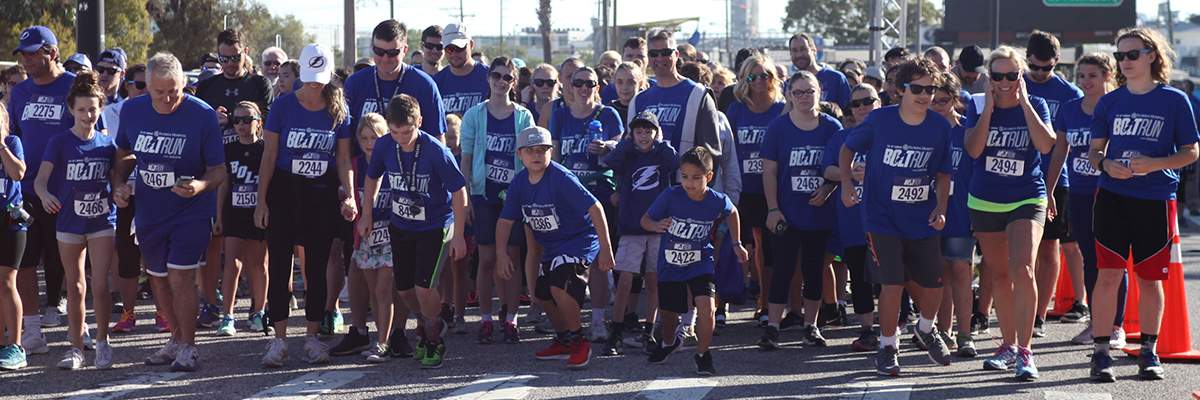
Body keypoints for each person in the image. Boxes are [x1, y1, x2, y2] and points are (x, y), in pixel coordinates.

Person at [1087, 28, 1199, 382]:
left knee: (1150, 280)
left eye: (1132, 54)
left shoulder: (1174, 100)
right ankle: (1101, 352)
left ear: (1151, 55)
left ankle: (1149, 350)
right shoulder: (1110, 101)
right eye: (1120, 56)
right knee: (1108, 276)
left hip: (1155, 199)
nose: (1125, 62)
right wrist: (1106, 164)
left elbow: (1191, 151)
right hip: (1112, 197)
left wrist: (1155, 163)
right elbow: (1093, 152)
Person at [112, 52, 226, 371]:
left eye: (173, 90)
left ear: (184, 84)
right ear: (146, 87)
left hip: (190, 210)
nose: (166, 98)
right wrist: (119, 185)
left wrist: (200, 186)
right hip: (150, 209)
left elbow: (218, 171)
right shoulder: (132, 110)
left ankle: (189, 347)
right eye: (159, 92)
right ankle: (175, 338)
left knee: (180, 277)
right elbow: (123, 155)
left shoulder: (201, 115)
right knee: (158, 278)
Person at [840, 57, 954, 376]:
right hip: (881, 218)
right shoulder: (880, 120)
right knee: (893, 284)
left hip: (921, 217)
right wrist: (847, 184)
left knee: (933, 286)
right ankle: (888, 346)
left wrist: (941, 208)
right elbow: (847, 150)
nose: (924, 94)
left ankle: (926, 329)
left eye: (930, 89)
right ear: (900, 90)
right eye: (916, 88)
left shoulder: (939, 127)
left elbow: (944, 173)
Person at [252, 44, 357, 367]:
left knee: (316, 268)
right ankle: (279, 339)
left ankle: (312, 337)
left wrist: (350, 193)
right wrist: (261, 201)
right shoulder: (283, 106)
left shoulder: (339, 110)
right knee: (281, 266)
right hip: (284, 189)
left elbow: (342, 159)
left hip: (321, 192)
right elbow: (269, 156)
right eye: (309, 80)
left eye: (319, 80)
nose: (313, 86)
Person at [964, 46, 1056, 381]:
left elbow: (1046, 146)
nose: (1005, 82)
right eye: (998, 76)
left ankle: (1026, 352)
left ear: (1021, 76)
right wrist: (988, 109)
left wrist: (1026, 103)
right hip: (985, 200)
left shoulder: (1037, 104)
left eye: (1012, 75)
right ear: (989, 77)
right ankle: (1006, 344)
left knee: (1023, 268)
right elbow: (973, 150)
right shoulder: (977, 106)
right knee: (999, 275)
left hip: (1026, 197)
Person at [358, 94, 468, 369]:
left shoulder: (434, 150)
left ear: (419, 122)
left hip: (435, 226)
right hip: (401, 225)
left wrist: (459, 234)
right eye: (395, 132)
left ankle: (433, 340)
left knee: (424, 286)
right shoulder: (386, 145)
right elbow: (372, 177)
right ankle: (433, 321)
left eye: (407, 131)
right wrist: (367, 214)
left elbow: (459, 191)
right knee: (405, 289)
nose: (401, 137)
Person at [495, 126, 615, 369]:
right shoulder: (519, 183)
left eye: (542, 150)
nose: (536, 155)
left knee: (560, 285)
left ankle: (579, 340)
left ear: (551, 152)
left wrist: (606, 248)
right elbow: (505, 221)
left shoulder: (562, 178)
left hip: (578, 240)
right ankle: (563, 339)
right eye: (530, 151)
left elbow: (596, 208)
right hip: (552, 246)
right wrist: (500, 253)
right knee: (541, 293)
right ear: (520, 154)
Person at [33, 72, 118, 370]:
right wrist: (44, 196)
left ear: (101, 109)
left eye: (93, 109)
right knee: (76, 286)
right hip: (68, 222)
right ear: (71, 109)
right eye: (81, 109)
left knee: (101, 286)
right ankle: (76, 348)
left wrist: (121, 190)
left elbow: (117, 180)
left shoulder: (108, 145)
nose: (87, 115)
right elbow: (40, 181)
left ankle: (103, 342)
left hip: (101, 222)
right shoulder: (59, 142)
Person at [642, 146, 747, 375]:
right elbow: (646, 220)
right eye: (685, 176)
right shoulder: (671, 195)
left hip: (701, 262)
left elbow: (732, 212)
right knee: (669, 315)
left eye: (696, 178)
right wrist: (656, 225)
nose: (689, 183)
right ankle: (669, 343)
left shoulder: (716, 200)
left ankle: (703, 354)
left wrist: (737, 243)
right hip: (670, 265)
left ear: (709, 177)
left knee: (707, 307)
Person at [757, 71, 840, 350]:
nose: (805, 97)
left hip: (819, 213)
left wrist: (828, 188)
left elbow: (840, 166)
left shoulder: (831, 127)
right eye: (799, 92)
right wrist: (772, 209)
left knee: (814, 269)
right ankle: (772, 326)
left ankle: (811, 325)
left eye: (810, 91)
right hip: (786, 212)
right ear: (789, 96)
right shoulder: (778, 128)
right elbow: (769, 171)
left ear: (820, 93)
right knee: (782, 268)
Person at [1054, 53, 1128, 350]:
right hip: (1079, 194)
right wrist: (1049, 191)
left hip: (1112, 193)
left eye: (1092, 76)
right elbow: (1059, 152)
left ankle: (1115, 326)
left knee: (1113, 261)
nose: (1085, 81)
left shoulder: (1118, 106)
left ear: (1108, 75)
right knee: (1090, 259)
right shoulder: (1070, 110)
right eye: (1081, 76)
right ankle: (1096, 322)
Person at [460, 57, 536, 345]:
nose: (501, 81)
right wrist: (466, 197)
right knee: (487, 258)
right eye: (496, 75)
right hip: (483, 193)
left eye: (507, 77)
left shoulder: (523, 116)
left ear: (513, 82)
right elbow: (466, 157)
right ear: (488, 77)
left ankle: (511, 318)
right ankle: (486, 318)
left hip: (513, 197)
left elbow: (530, 156)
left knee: (512, 257)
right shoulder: (475, 115)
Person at [9, 26, 76, 351]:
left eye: (33, 52)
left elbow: (93, 132)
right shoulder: (19, 92)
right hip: (27, 191)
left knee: (71, 263)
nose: (26, 59)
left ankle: (79, 330)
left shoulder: (73, 86)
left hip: (67, 190)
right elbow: (14, 135)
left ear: (51, 52)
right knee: (25, 262)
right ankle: (32, 332)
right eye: (23, 53)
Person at [549, 66, 624, 341]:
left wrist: (607, 147)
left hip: (599, 192)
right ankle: (571, 319)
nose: (583, 88)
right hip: (568, 195)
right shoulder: (560, 115)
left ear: (598, 87)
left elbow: (623, 151)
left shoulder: (608, 114)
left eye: (589, 83)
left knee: (598, 259)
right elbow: (554, 156)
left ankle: (598, 319)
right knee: (570, 258)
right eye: (578, 82)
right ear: (569, 86)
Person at [1023, 30, 1086, 337]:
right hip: (1012, 178)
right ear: (1026, 59)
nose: (1039, 73)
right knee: (1019, 252)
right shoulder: (1010, 82)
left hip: (1054, 179)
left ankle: (1038, 315)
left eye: (1046, 68)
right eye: (1034, 67)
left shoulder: (1070, 93)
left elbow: (1067, 144)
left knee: (1049, 248)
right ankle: (1016, 307)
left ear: (1057, 62)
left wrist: (1049, 189)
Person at [600, 111, 676, 355]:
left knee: (654, 280)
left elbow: (675, 162)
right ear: (632, 134)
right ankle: (617, 330)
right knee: (625, 279)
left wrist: (660, 141)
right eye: (639, 131)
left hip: (657, 226)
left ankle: (650, 329)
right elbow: (611, 161)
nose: (643, 136)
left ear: (656, 132)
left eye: (648, 131)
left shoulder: (661, 154)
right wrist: (626, 142)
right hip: (632, 227)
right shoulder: (628, 154)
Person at [725, 54, 785, 326]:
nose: (760, 81)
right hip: (743, 188)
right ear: (744, 79)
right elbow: (727, 151)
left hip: (771, 189)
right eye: (753, 76)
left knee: (768, 248)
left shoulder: (781, 109)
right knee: (739, 245)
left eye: (766, 75)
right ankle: (725, 301)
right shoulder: (736, 110)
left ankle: (766, 303)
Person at [821, 83, 880, 352]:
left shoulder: (892, 132)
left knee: (895, 277)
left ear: (879, 102)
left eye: (868, 101)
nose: (862, 108)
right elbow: (827, 170)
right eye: (855, 104)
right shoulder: (841, 138)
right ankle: (867, 329)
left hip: (888, 219)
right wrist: (849, 175)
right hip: (853, 220)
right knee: (859, 276)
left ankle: (901, 326)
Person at [930, 75, 978, 358]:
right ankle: (942, 331)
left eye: (944, 101)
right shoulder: (922, 129)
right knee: (938, 273)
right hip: (929, 212)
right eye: (933, 100)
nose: (937, 106)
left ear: (956, 99)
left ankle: (965, 334)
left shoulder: (966, 130)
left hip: (961, 210)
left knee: (961, 270)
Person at [212, 101, 269, 337]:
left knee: (258, 263)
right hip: (234, 211)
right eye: (237, 120)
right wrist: (218, 215)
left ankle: (259, 312)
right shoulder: (229, 149)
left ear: (258, 122)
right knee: (232, 263)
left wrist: (265, 207)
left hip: (257, 212)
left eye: (247, 120)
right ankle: (228, 315)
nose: (242, 125)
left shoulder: (266, 148)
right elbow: (224, 184)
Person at [344, 20, 446, 142]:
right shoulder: (356, 82)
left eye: (393, 53)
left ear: (404, 50)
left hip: (409, 160)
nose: (385, 58)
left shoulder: (424, 85)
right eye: (379, 52)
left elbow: (437, 138)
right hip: (364, 160)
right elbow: (344, 139)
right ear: (372, 48)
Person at [629, 30, 722, 158]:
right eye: (654, 54)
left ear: (676, 54)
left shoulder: (698, 95)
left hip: (684, 177)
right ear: (648, 57)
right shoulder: (638, 101)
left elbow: (711, 153)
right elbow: (629, 149)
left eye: (666, 52)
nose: (660, 58)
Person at [0, 101, 28, 371]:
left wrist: (0, 144)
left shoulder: (12, 142)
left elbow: (18, 173)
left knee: (7, 281)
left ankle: (16, 346)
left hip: (10, 222)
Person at [434, 23, 489, 116]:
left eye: (460, 48)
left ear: (471, 45)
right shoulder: (436, 82)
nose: (454, 53)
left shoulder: (491, 77)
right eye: (449, 49)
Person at [789, 33, 851, 110]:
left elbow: (848, 114)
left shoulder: (836, 78)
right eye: (794, 51)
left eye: (803, 49)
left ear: (814, 50)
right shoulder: (789, 84)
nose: (799, 55)